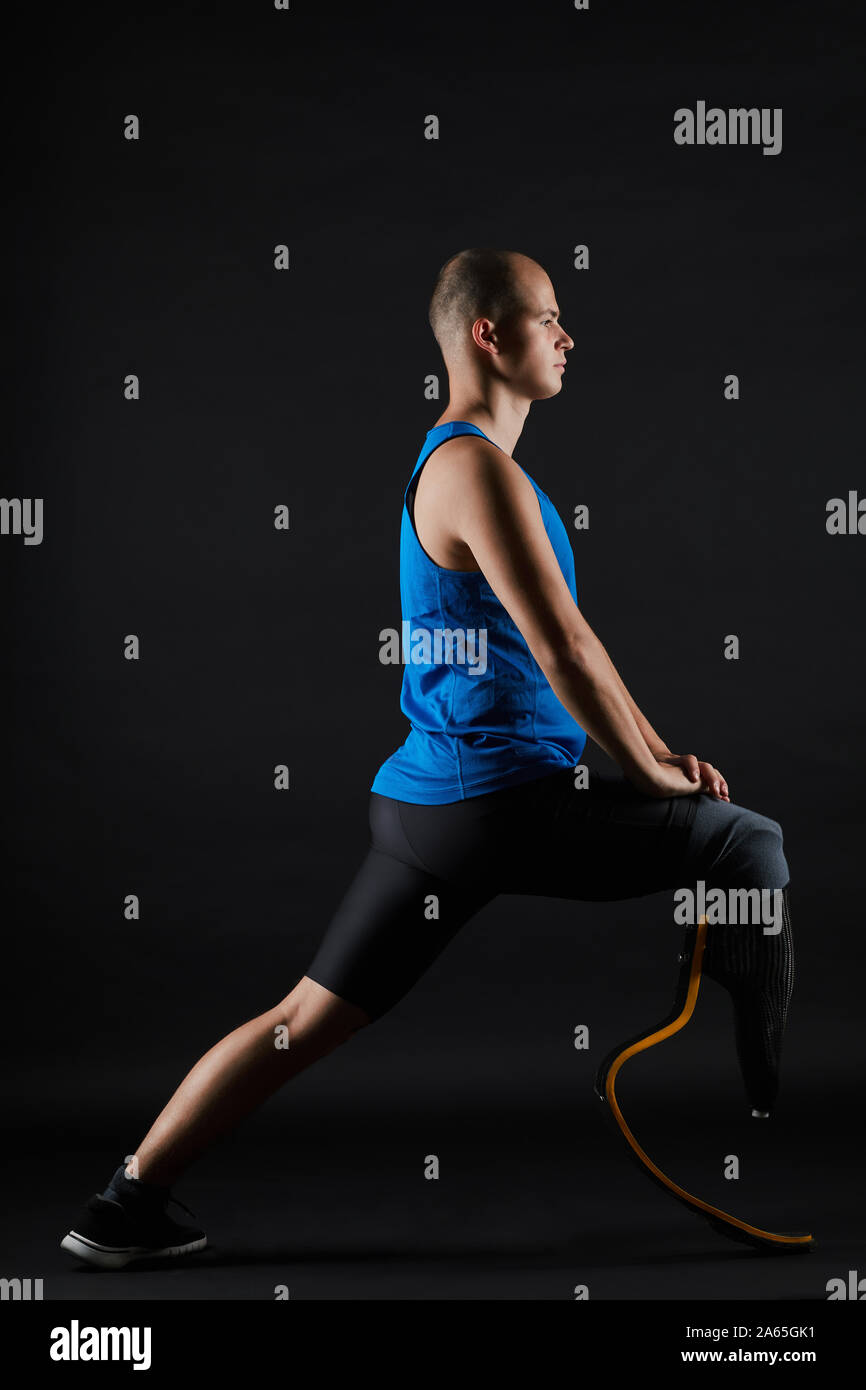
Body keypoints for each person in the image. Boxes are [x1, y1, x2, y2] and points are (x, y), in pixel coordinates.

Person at [61, 248, 795, 1269]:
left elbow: (568, 637)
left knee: (297, 1021)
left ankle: (124, 1201)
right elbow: (562, 648)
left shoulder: (473, 466)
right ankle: (752, 1101)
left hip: (431, 812)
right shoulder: (470, 470)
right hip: (497, 807)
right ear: (487, 336)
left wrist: (656, 748)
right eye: (547, 318)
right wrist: (645, 773)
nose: (566, 336)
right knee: (748, 845)